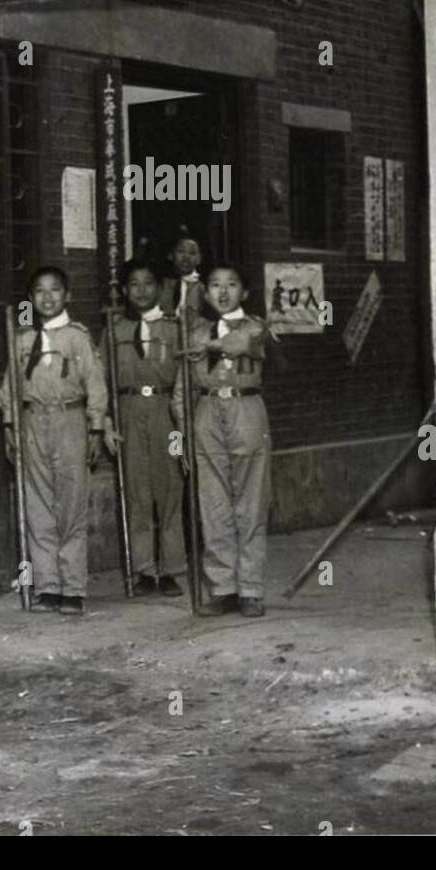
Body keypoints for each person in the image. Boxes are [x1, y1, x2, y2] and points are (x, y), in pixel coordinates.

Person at [0, 266, 108, 616]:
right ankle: (48, 586)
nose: (48, 297)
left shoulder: (77, 338)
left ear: (68, 296)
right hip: (33, 422)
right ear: (31, 298)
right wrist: (10, 424)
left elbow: (95, 385)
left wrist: (95, 429)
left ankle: (73, 588)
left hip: (70, 420)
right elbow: (10, 387)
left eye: (55, 290)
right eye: (40, 291)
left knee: (71, 505)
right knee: (39, 507)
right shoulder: (22, 340)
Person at [172, 262, 272, 618]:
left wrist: (210, 345)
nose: (223, 292)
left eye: (232, 284)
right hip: (207, 412)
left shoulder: (256, 325)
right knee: (212, 503)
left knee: (250, 500)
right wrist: (182, 435)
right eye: (214, 285)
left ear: (244, 292)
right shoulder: (196, 332)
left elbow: (243, 342)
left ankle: (251, 589)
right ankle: (224, 587)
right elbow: (181, 389)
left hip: (246, 410)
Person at [100, 259, 185, 597]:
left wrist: (184, 429)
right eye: (133, 284)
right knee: (136, 492)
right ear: (124, 290)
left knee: (171, 489)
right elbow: (102, 380)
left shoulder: (175, 329)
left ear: (160, 288)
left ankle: (171, 569)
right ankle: (144, 570)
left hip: (170, 418)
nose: (141, 291)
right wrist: (105, 421)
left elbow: (186, 379)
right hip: (130, 415)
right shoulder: (115, 331)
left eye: (148, 283)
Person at [159, 234, 206, 318]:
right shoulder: (161, 285)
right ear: (171, 255)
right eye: (181, 251)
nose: (186, 257)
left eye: (192, 253)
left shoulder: (204, 288)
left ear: (199, 259)